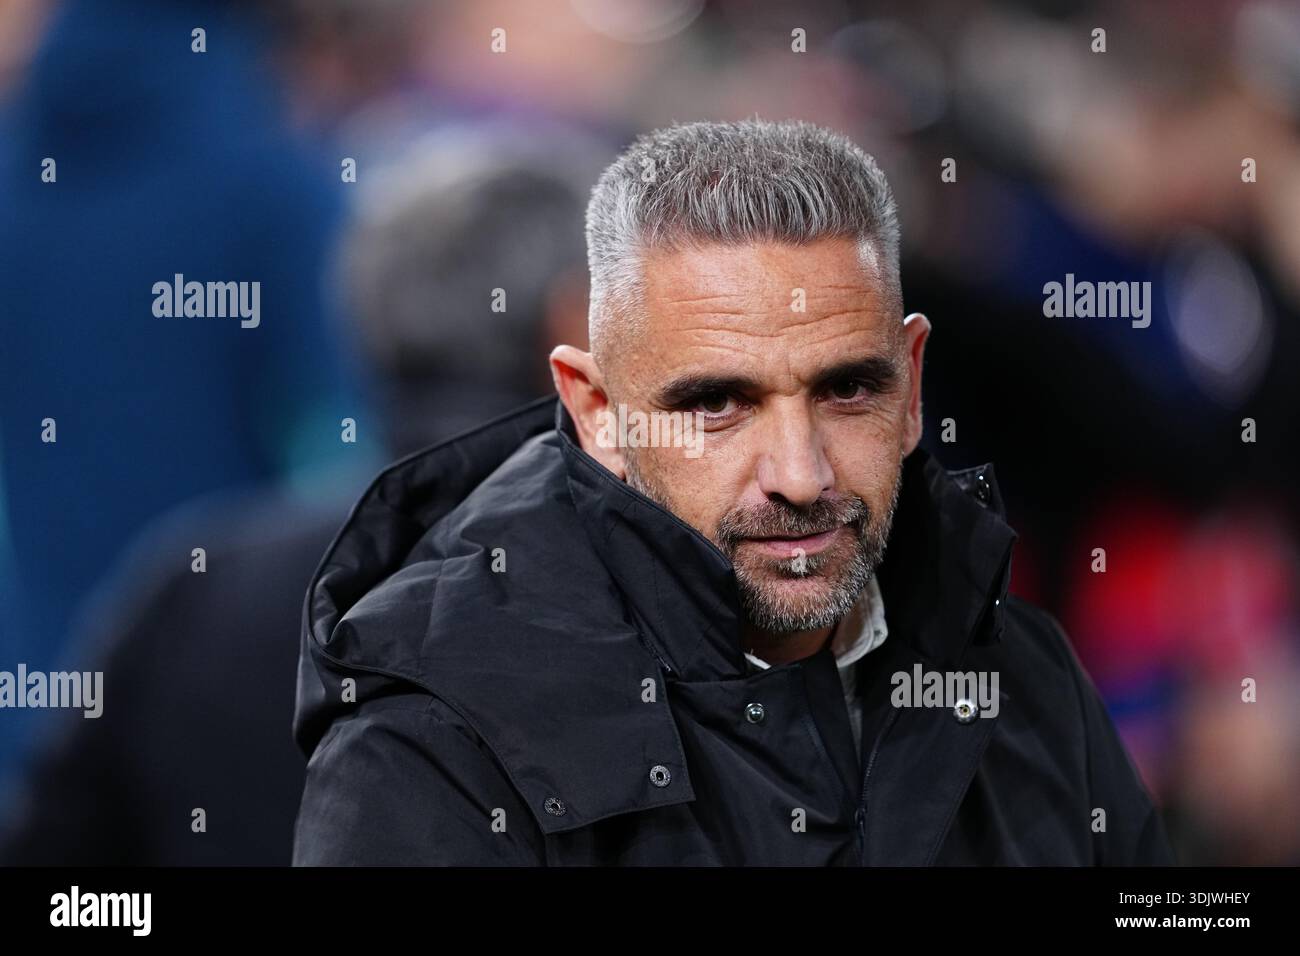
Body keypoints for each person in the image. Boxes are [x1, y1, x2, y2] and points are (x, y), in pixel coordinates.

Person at [292, 119, 1176, 866]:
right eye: (717, 403)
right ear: (596, 410)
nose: (800, 475)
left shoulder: (1021, 673)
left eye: (846, 390)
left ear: (911, 386)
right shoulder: (434, 750)